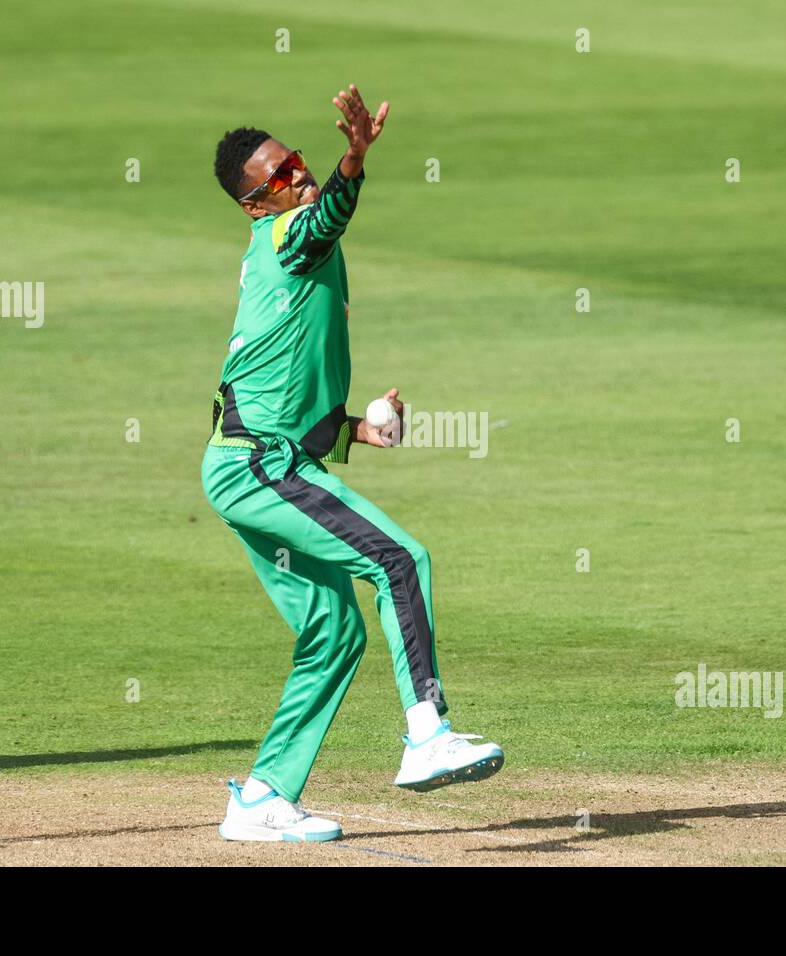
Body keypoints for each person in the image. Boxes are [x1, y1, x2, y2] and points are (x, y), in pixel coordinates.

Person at [203, 85, 503, 842]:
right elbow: (330, 213)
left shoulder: (296, 254)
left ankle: (264, 797)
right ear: (255, 205)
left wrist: (358, 433)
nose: (298, 178)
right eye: (280, 177)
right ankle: (427, 732)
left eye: (298, 163)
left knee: (334, 633)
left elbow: (281, 394)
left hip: (257, 460)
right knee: (401, 559)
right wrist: (355, 160)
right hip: (258, 466)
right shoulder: (291, 239)